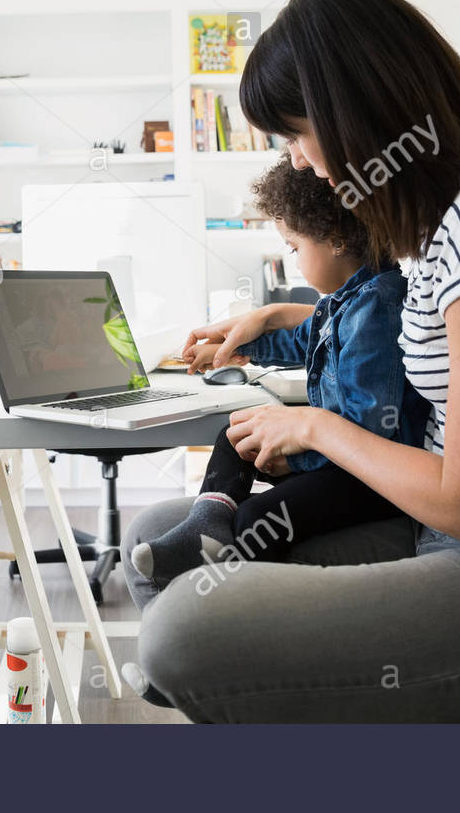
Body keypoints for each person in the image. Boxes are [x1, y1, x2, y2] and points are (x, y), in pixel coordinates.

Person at [123, 0, 460, 722]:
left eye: (296, 135)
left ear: (351, 113)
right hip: (457, 541)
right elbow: (392, 332)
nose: (299, 162)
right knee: (156, 539)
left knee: (185, 633)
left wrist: (314, 427)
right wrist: (277, 318)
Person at [129, 155, 426, 585]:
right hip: (340, 458)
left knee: (256, 518)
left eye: (294, 248)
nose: (295, 262)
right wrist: (233, 348)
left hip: (370, 477)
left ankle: (235, 598)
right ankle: (204, 525)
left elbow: (371, 429)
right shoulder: (344, 300)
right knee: (235, 434)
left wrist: (298, 456)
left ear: (336, 239)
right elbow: (299, 342)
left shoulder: (377, 308)